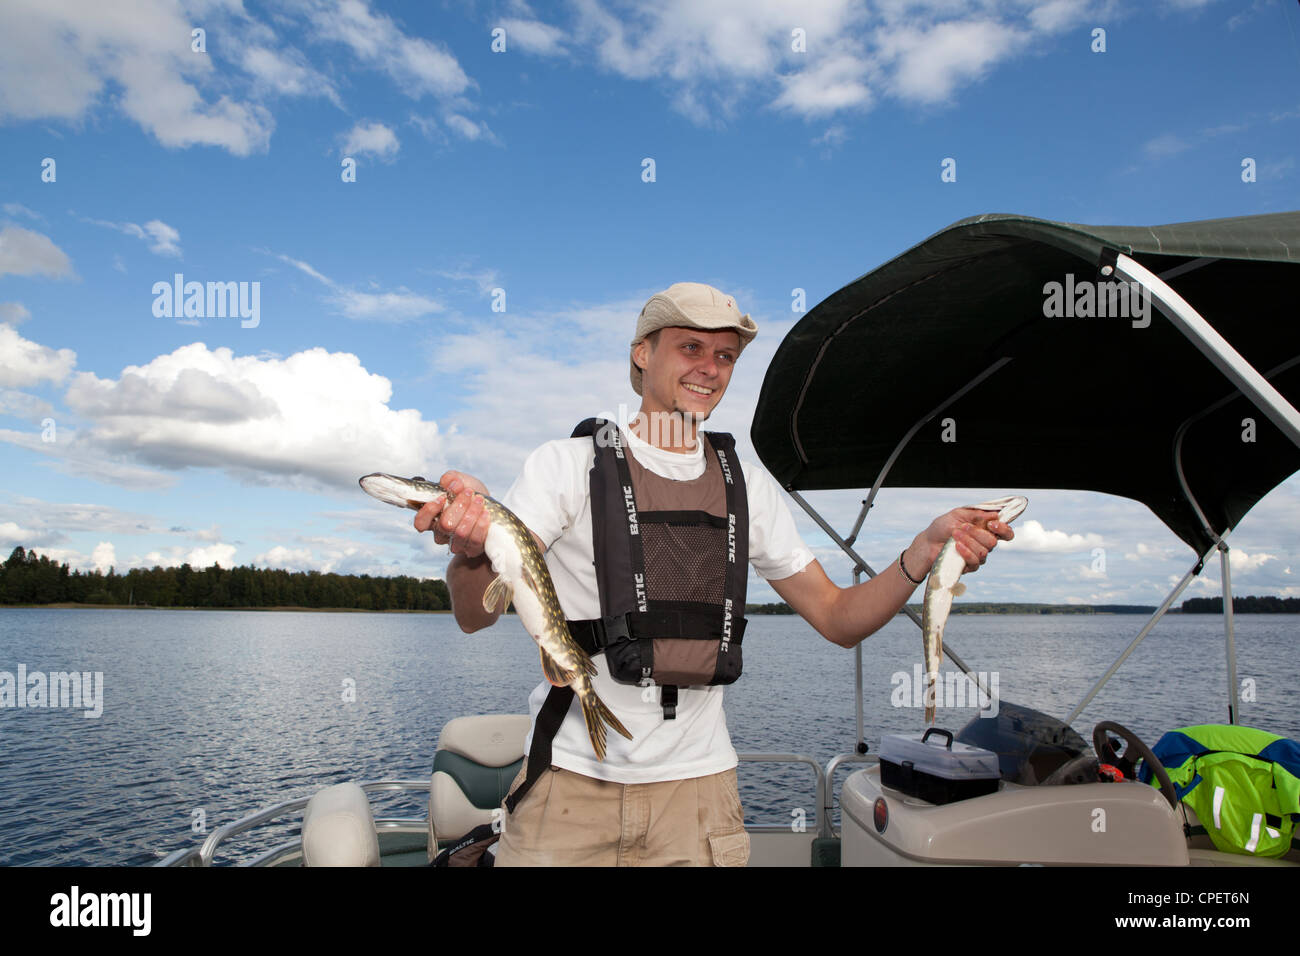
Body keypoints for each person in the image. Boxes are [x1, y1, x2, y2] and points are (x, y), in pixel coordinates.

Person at [413, 282, 1013, 866]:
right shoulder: (565, 465)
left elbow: (838, 618)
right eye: (690, 347)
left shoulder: (745, 484)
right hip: (568, 785)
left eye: (725, 355)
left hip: (699, 797)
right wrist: (472, 547)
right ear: (642, 353)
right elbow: (472, 615)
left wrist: (923, 550)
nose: (710, 368)